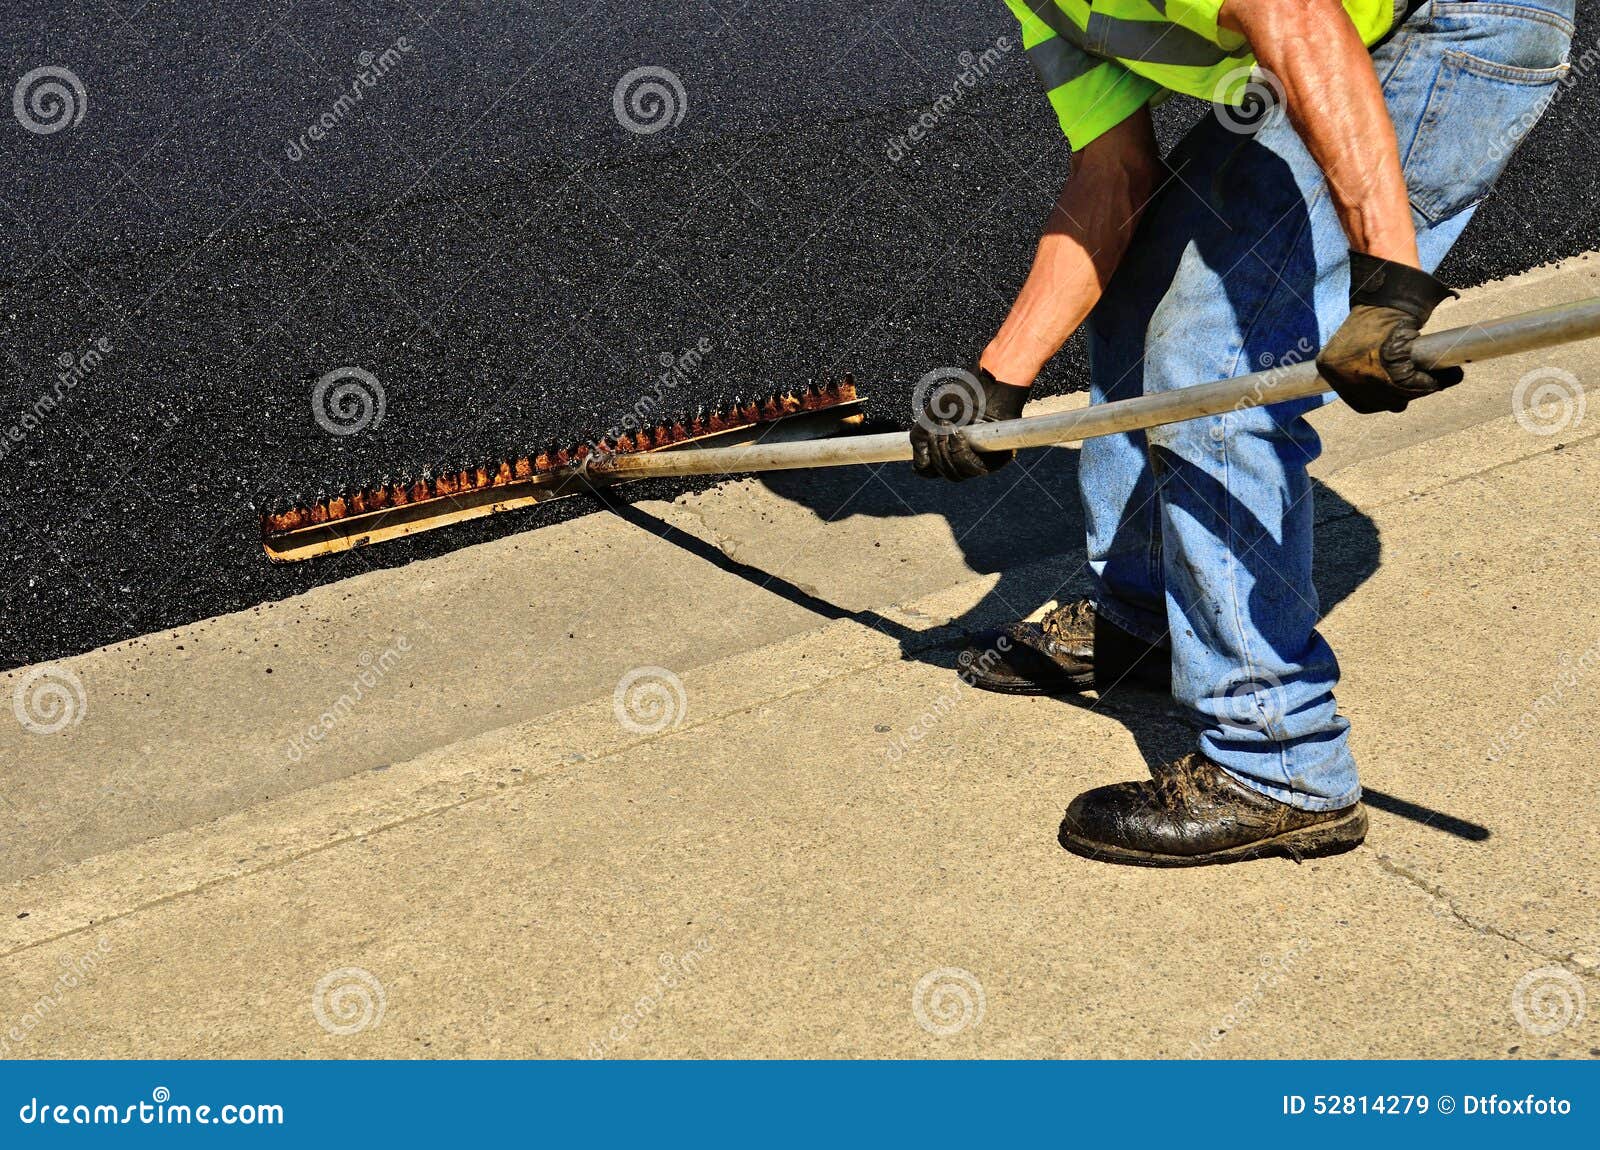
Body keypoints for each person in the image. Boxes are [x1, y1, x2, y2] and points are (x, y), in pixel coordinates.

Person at [909, 0, 1574, 865]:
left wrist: (1390, 283)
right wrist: (999, 379)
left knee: (1216, 365)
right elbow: (1114, 172)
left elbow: (1297, 21)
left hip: (1450, 24)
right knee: (1144, 282)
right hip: (1316, 41)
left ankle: (1283, 765)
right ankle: (1143, 614)